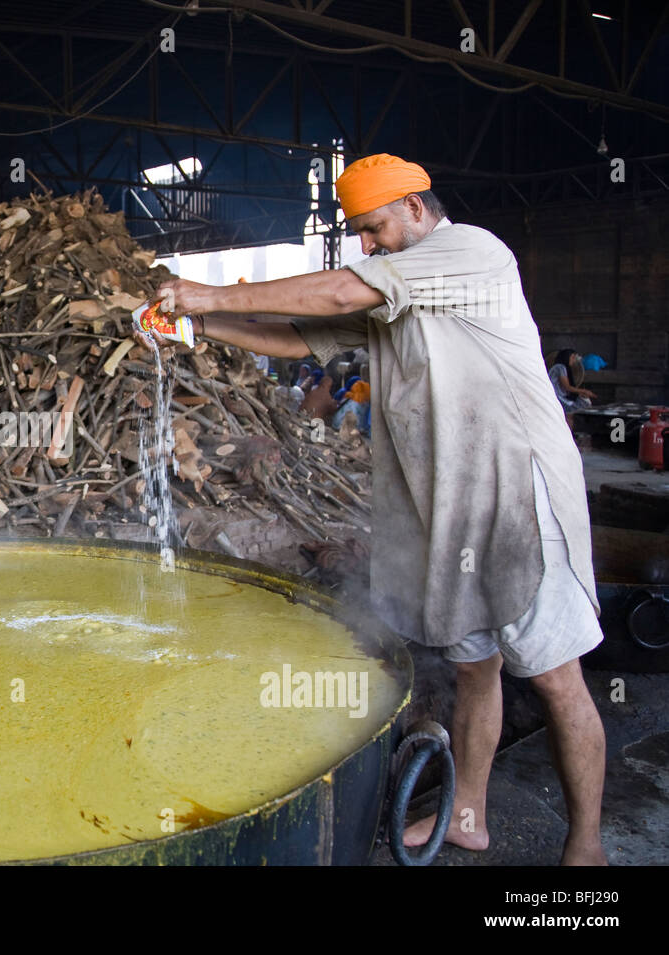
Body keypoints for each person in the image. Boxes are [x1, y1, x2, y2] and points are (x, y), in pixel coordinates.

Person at [149, 153, 607, 865]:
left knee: (555, 675)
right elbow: (299, 338)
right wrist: (196, 325)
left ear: (418, 208)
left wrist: (203, 293)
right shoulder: (393, 293)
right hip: (452, 513)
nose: (367, 244)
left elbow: (335, 293)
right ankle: (470, 815)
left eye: (375, 228)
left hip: (519, 500)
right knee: (475, 669)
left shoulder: (471, 252)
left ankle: (587, 846)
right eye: (360, 233)